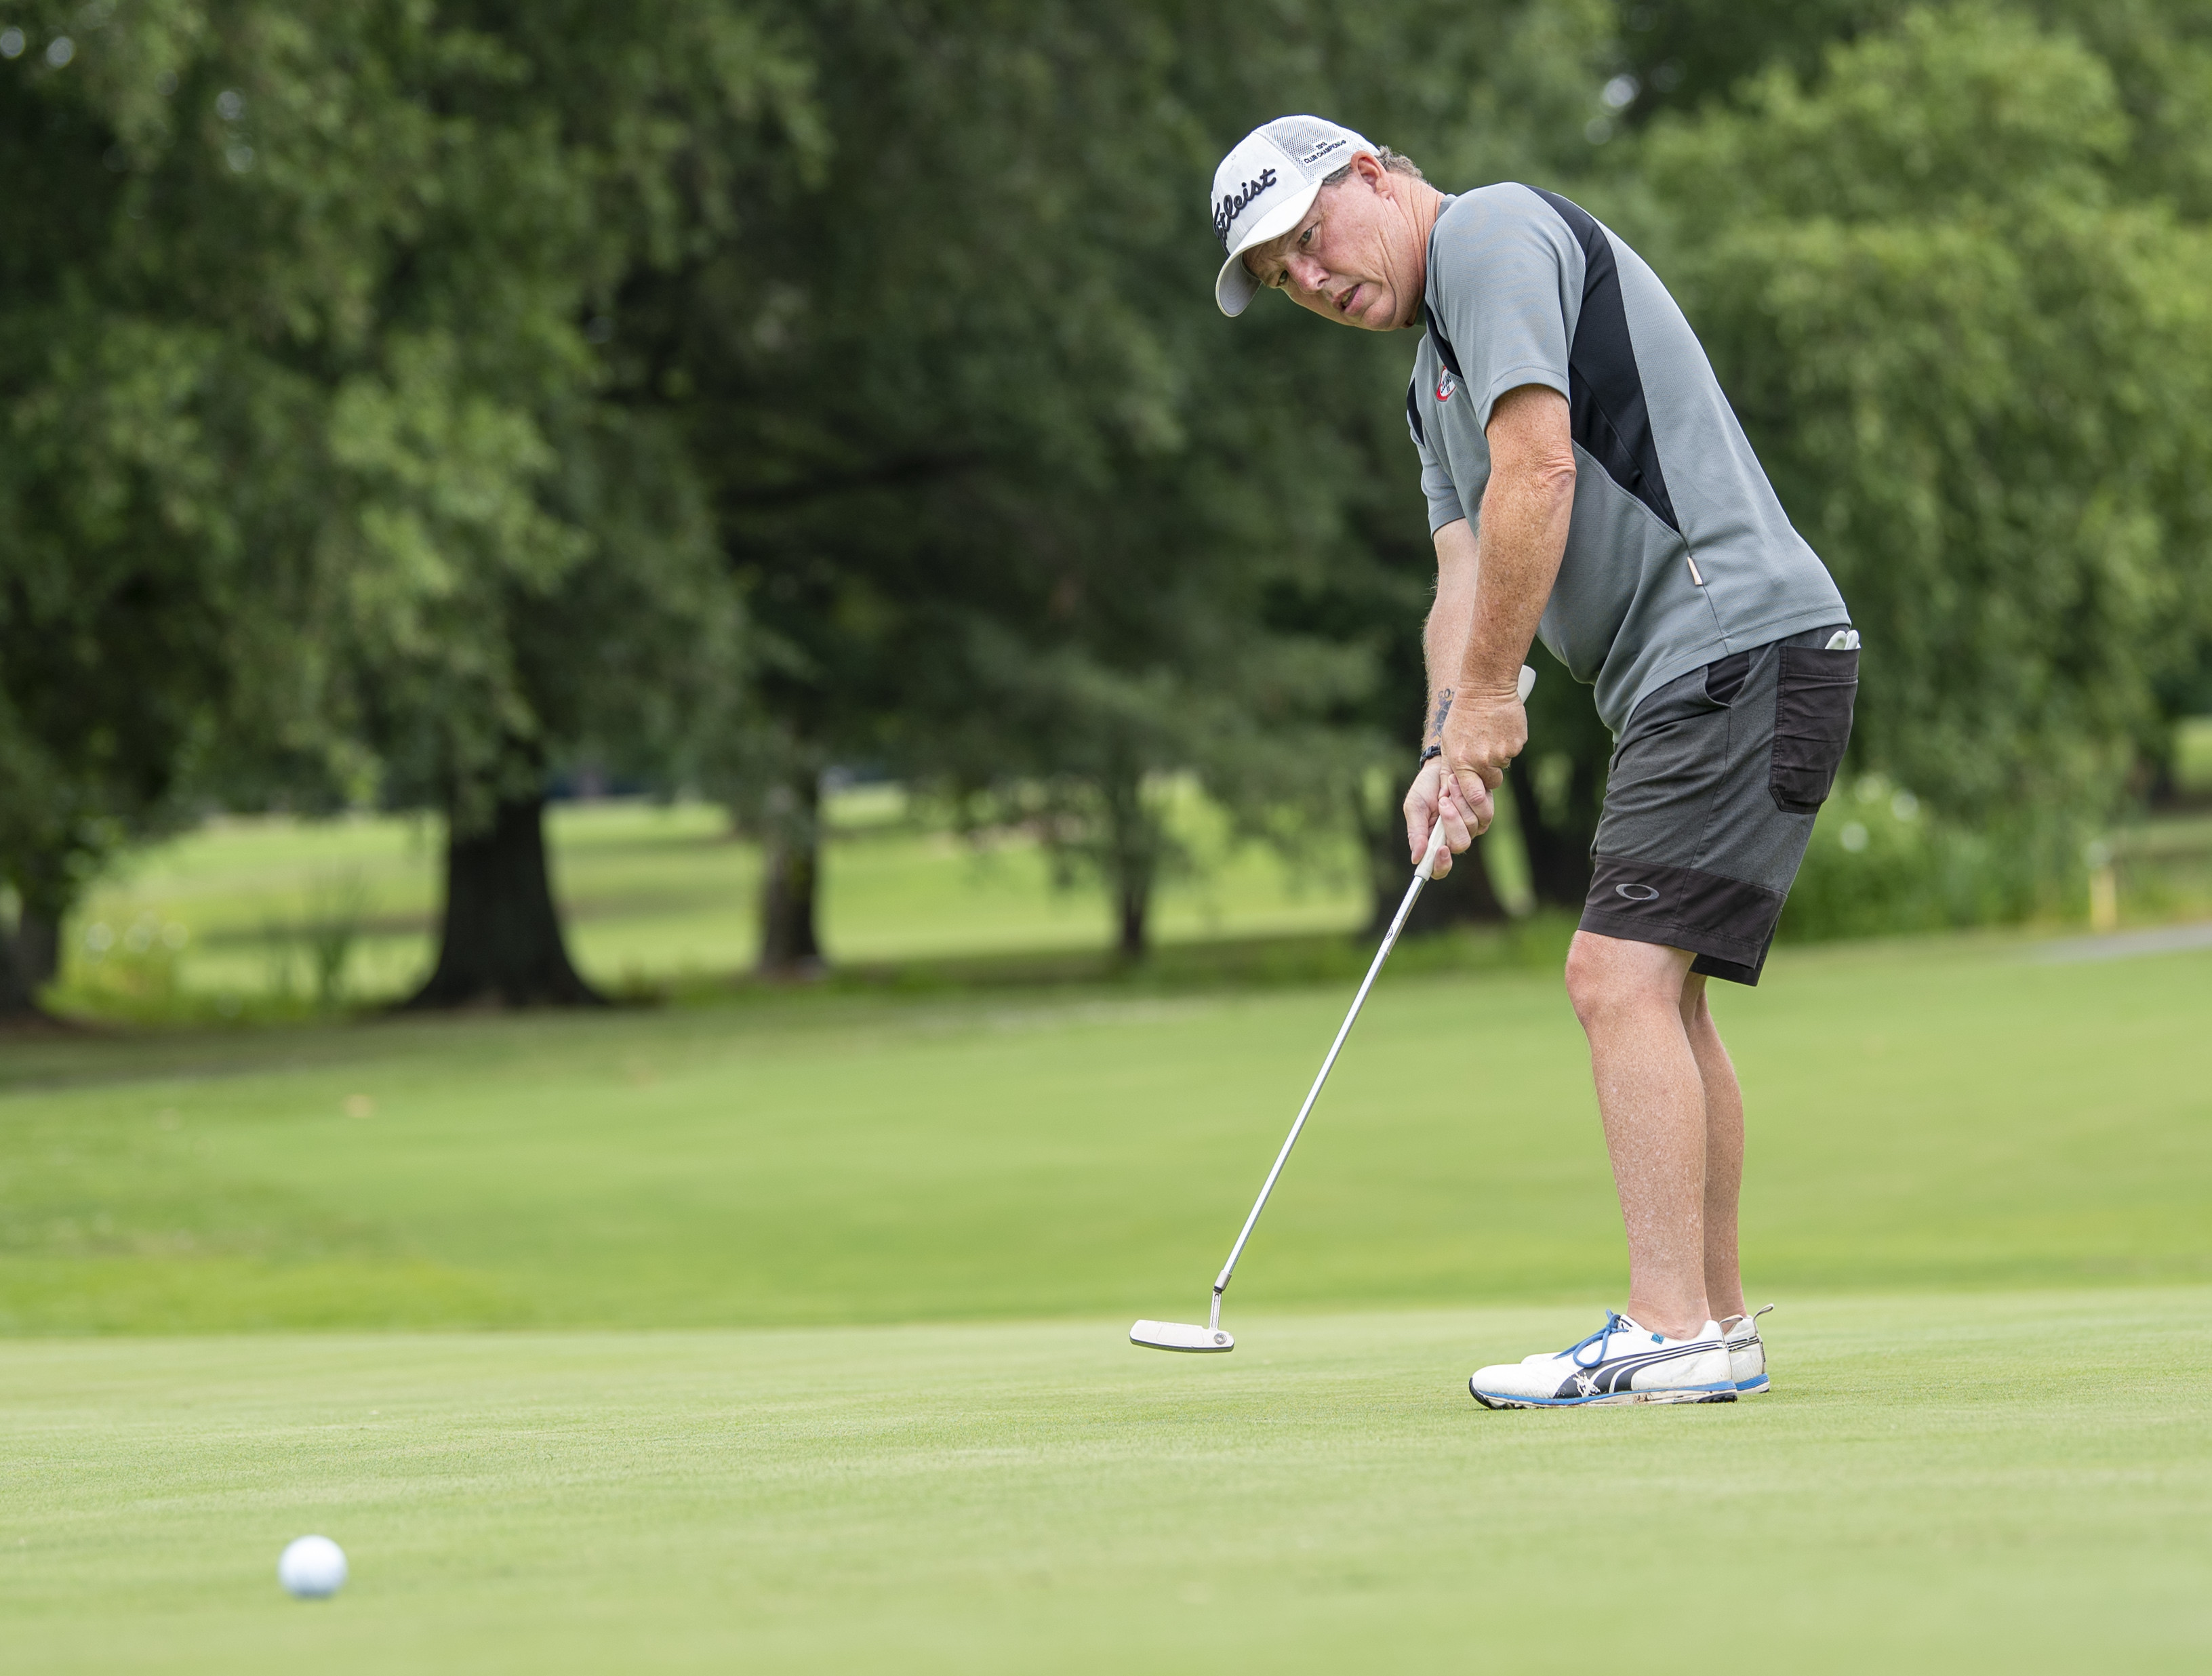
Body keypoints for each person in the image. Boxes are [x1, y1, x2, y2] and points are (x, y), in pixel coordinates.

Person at [1209, 116, 1858, 1407]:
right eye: (1283, 279)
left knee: (1611, 978)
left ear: (1373, 175)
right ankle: (1714, 1327)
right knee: (1660, 994)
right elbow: (1461, 569)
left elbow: (1539, 470)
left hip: (1732, 643)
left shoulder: (1494, 235)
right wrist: (1447, 740)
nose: (1315, 283)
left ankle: (1666, 1326)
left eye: (1311, 238)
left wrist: (1500, 693)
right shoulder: (1427, 379)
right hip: (1724, 665)